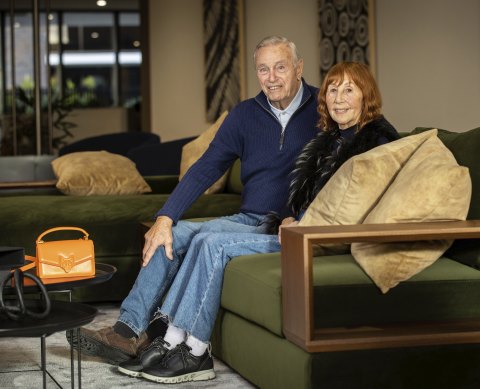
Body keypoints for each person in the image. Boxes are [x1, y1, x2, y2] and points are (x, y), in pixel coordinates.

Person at [113, 61, 399, 385]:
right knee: (190, 236)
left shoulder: (375, 141)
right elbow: (317, 196)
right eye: (333, 89)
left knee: (211, 244)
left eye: (349, 89)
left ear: (367, 95)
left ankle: (193, 351)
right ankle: (169, 340)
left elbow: (354, 201)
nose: (338, 98)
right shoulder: (332, 137)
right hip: (295, 227)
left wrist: (302, 221)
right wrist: (296, 215)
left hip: (320, 238)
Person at [69, 35, 320, 383]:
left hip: (282, 225)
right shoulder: (246, 114)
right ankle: (127, 332)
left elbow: (355, 150)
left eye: (280, 67)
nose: (272, 77)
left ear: (299, 68)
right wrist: (165, 217)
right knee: (172, 234)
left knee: (204, 240)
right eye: (263, 69)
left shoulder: (325, 109)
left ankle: (173, 343)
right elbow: (206, 166)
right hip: (248, 219)